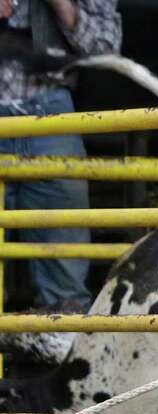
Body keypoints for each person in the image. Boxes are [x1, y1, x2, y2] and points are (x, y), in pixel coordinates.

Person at [0, 0, 121, 312]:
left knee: (65, 283)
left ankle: (62, 355)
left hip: (51, 115)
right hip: (52, 118)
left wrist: (62, 5)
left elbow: (105, 50)